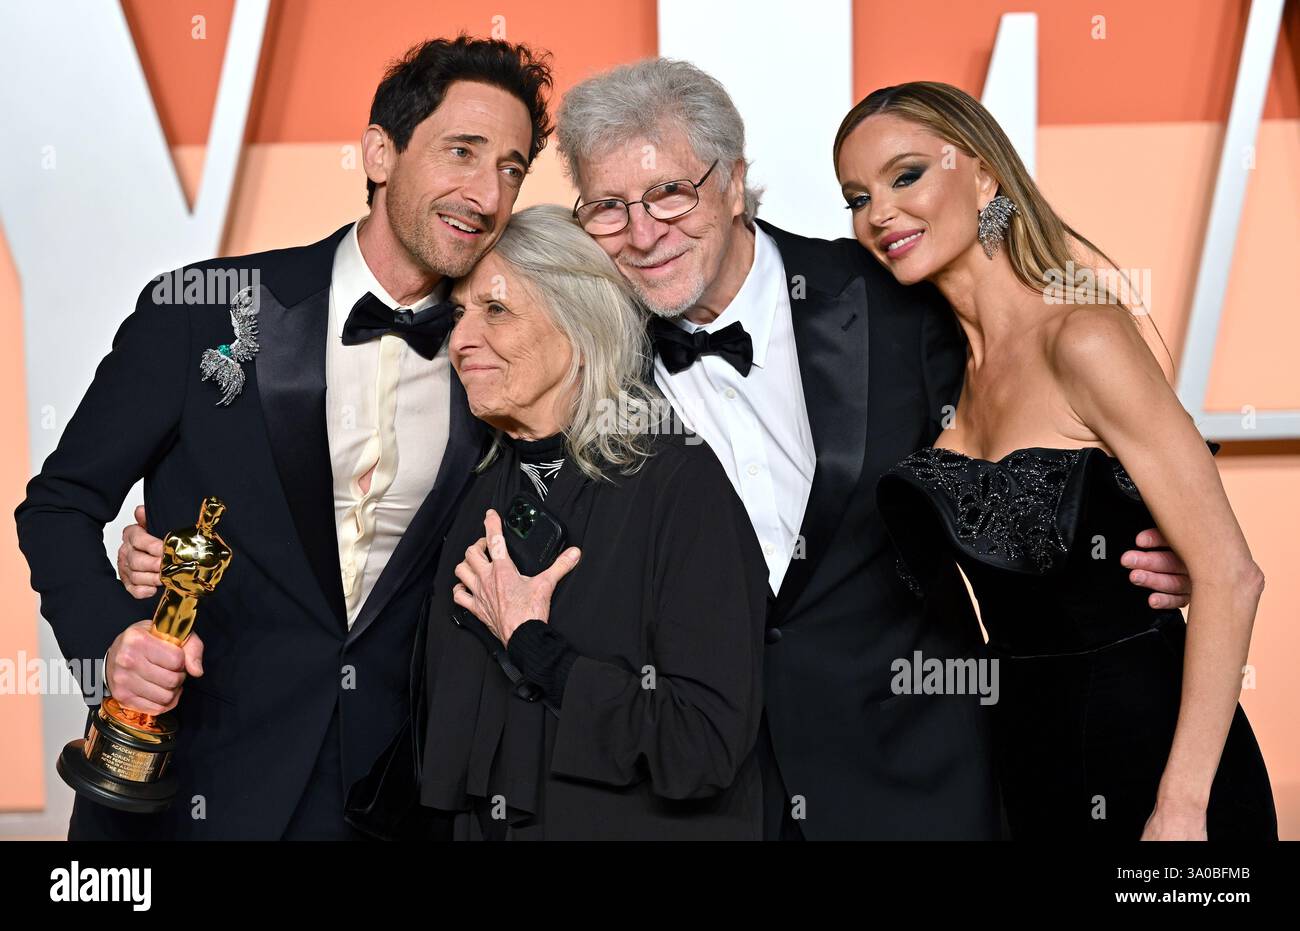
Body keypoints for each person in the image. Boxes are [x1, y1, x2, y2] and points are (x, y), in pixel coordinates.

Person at [553, 58, 1198, 839]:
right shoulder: (582, 351)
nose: (644, 231)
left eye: (668, 192)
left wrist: (1141, 546)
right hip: (707, 794)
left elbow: (1046, 435)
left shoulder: (896, 293)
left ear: (731, 183)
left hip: (918, 776)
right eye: (608, 209)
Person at [18, 35, 551, 840]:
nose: (486, 192)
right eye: (462, 152)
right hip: (189, 784)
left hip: (380, 803)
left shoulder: (499, 357)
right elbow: (57, 504)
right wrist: (110, 645)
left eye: (511, 168)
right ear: (379, 152)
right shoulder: (201, 308)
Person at [837, 81, 1277, 839]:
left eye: (906, 175)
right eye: (856, 194)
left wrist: (1181, 805)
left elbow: (1231, 575)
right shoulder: (947, 372)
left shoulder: (1083, 338)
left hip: (1157, 761)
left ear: (985, 175)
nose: (878, 212)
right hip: (1027, 763)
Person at [419, 204, 768, 839]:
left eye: (495, 310)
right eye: (459, 313)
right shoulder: (476, 492)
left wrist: (536, 648)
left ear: (580, 326)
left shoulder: (679, 485)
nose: (461, 340)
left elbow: (704, 741)